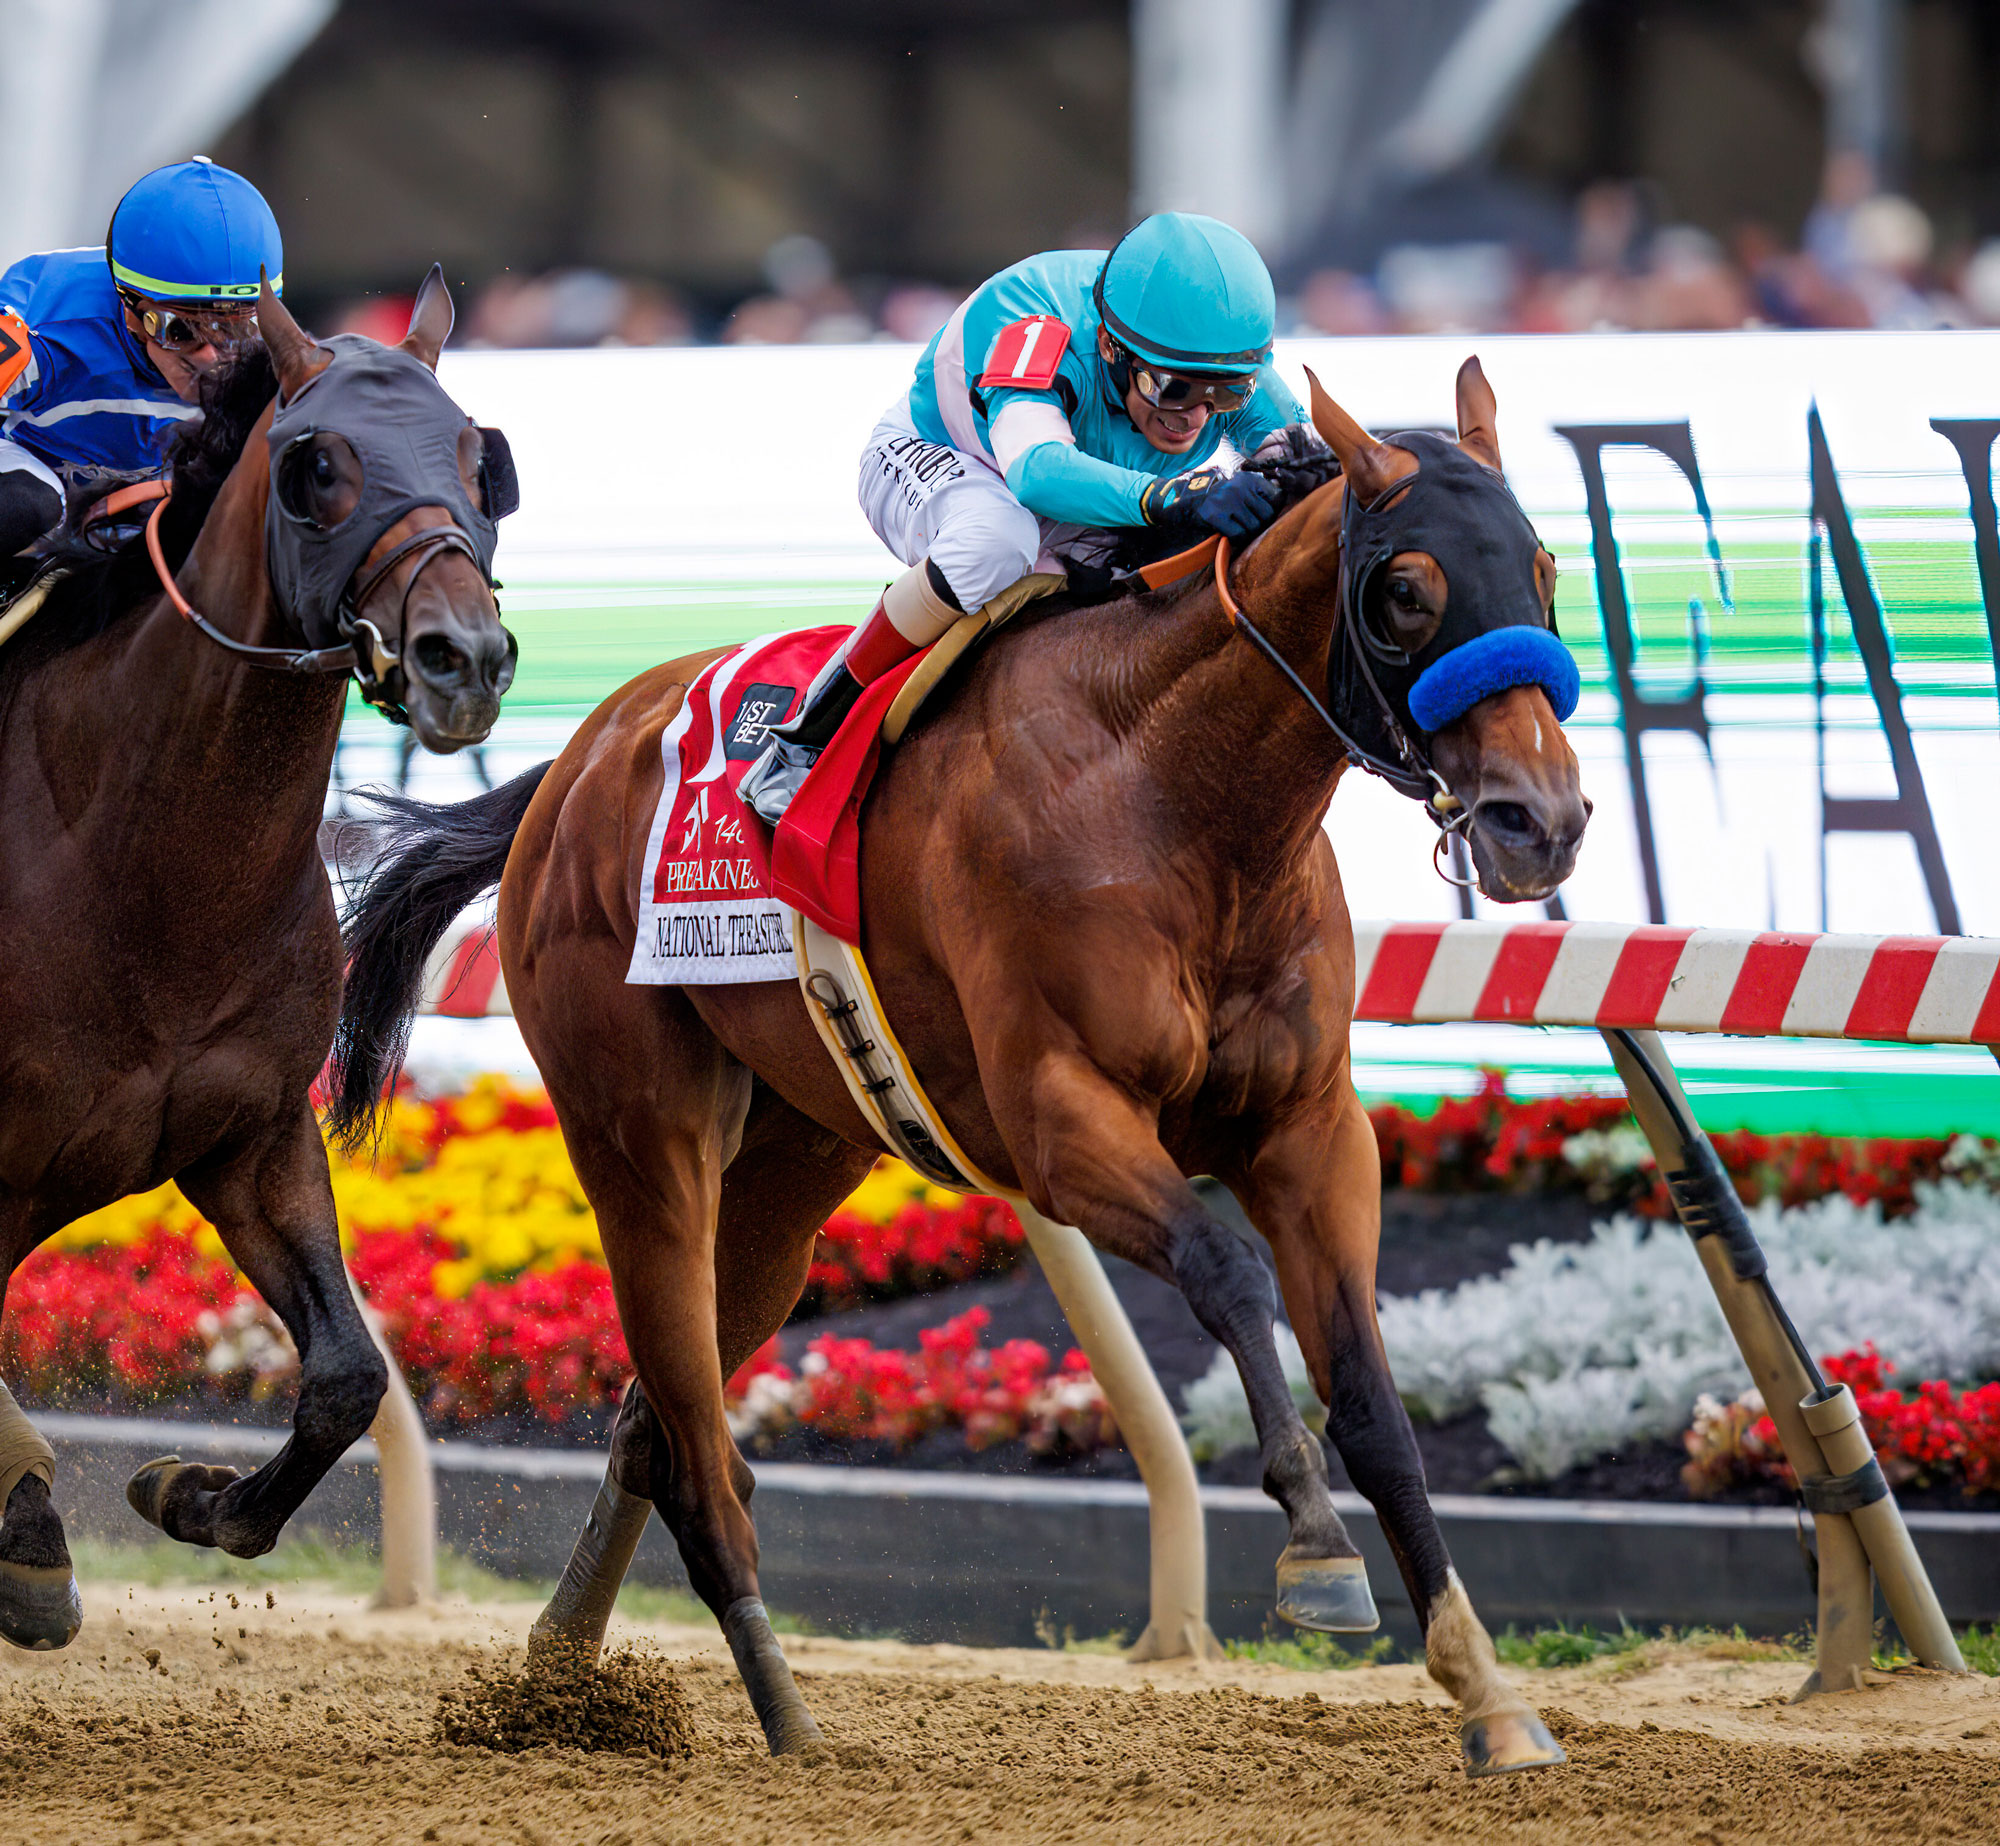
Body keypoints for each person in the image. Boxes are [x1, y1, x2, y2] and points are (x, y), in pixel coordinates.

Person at [740, 211, 1312, 821]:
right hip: (949, 459)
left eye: (1224, 394)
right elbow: (1036, 472)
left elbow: (1310, 463)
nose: (1195, 415)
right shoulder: (1035, 324)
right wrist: (1172, 496)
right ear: (1112, 348)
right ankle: (808, 736)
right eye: (1172, 389)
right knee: (997, 540)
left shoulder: (1212, 351)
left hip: (1081, 493)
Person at [0, 156, 282, 557]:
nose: (208, 357)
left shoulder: (277, 361)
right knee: (29, 505)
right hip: (28, 486)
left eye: (234, 330)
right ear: (130, 307)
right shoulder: (38, 320)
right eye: (181, 330)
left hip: (138, 524)